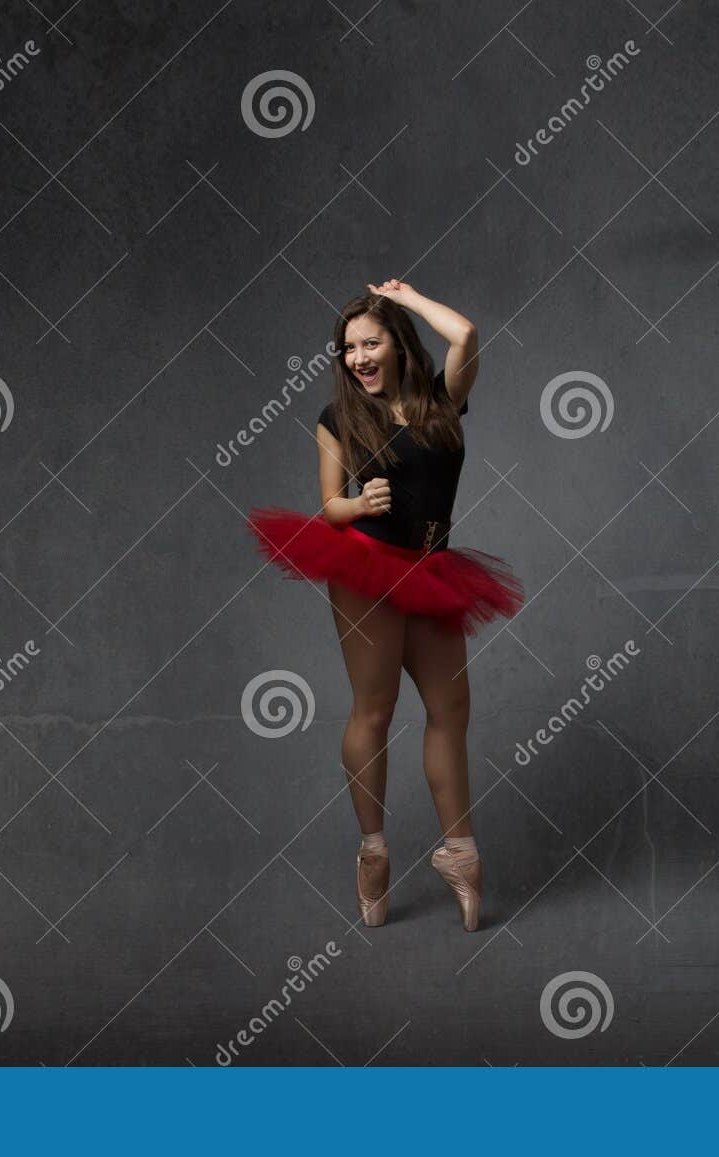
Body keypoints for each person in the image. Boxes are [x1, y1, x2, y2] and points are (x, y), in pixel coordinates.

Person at [245, 280, 524, 932]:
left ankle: (462, 853)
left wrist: (407, 298)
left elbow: (466, 336)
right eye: (348, 348)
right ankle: (373, 848)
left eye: (371, 342)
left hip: (432, 570)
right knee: (376, 708)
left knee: (450, 710)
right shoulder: (337, 417)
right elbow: (328, 506)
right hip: (367, 570)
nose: (358, 357)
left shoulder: (440, 403)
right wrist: (359, 504)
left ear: (398, 344)